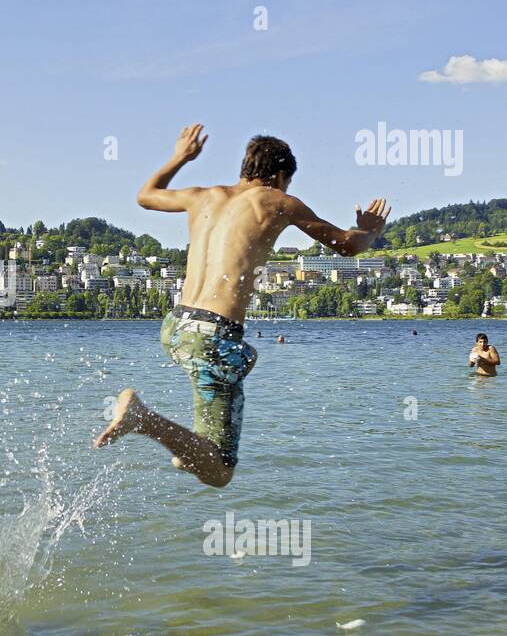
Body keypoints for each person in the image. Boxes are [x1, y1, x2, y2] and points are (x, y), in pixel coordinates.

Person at [94, 124, 390, 487]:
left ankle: (191, 450)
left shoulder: (204, 196)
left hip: (176, 327)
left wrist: (180, 158)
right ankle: (143, 419)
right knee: (220, 473)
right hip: (213, 337)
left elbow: (146, 195)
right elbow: (347, 246)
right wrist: (370, 231)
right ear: (280, 176)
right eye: (286, 182)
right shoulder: (278, 201)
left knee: (209, 452)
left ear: (246, 168)